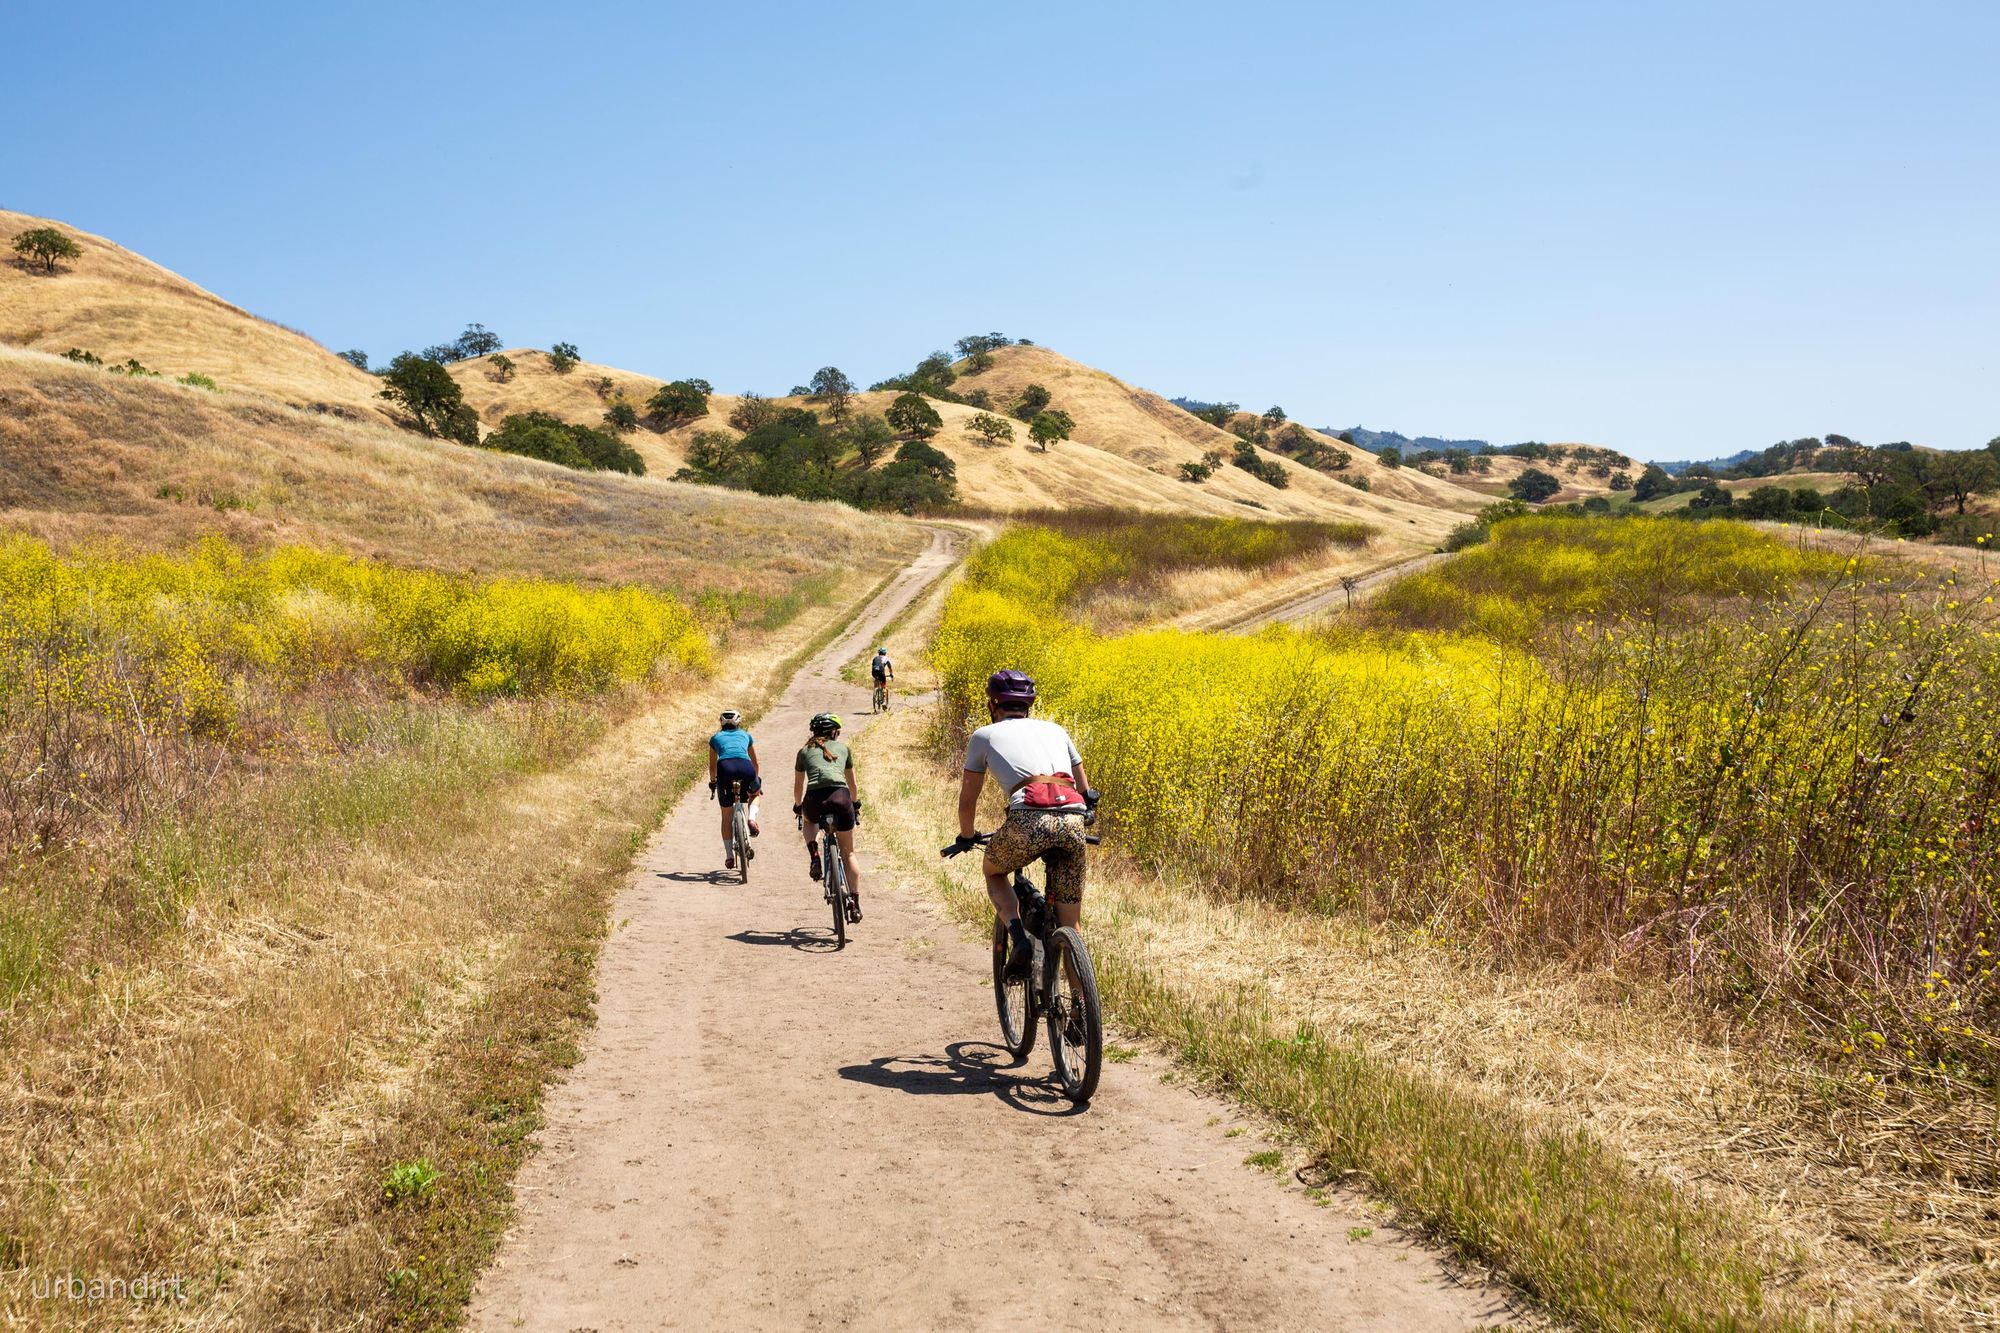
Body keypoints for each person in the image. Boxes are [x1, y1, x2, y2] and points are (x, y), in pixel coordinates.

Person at [951, 669, 1091, 979]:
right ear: (1029, 704)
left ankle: (1018, 940)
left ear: (992, 704)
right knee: (1071, 926)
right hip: (1072, 820)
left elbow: (967, 799)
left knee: (994, 871)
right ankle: (1082, 1015)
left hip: (1027, 819)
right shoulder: (1057, 730)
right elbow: (1084, 790)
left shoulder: (984, 736)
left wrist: (967, 835)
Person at [793, 712, 863, 916]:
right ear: (835, 732)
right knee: (848, 853)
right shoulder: (843, 748)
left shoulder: (804, 751)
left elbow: (798, 787)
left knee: (809, 822)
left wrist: (798, 806)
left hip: (815, 799)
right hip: (841, 797)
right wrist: (855, 804)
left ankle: (815, 855)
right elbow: (853, 785)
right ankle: (855, 903)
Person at [707, 709, 762, 871]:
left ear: (721, 722)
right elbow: (756, 763)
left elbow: (712, 766)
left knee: (726, 816)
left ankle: (729, 856)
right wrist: (755, 780)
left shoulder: (715, 738)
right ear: (739, 722)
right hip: (745, 767)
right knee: (755, 794)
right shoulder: (746, 735)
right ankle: (751, 818)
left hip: (724, 768)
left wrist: (713, 782)